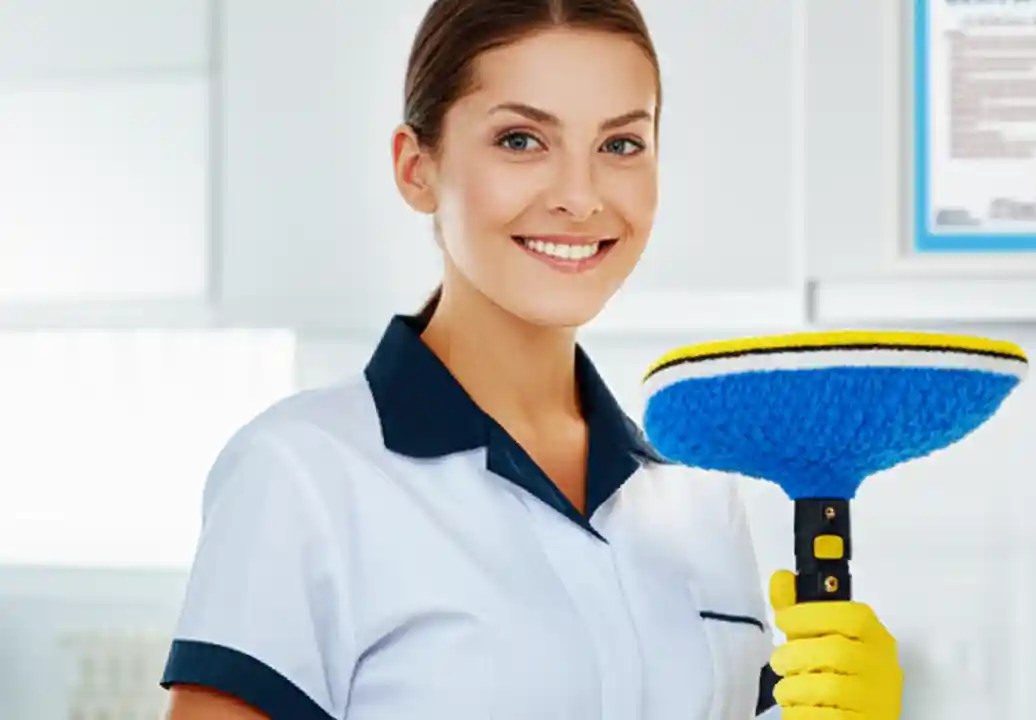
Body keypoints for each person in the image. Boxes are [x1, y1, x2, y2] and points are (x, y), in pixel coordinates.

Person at [162, 0, 903, 718]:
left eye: (620, 145)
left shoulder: (699, 500)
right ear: (417, 168)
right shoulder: (304, 474)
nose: (580, 198)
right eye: (521, 140)